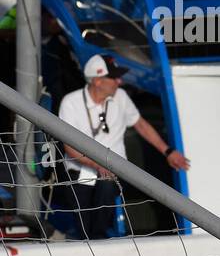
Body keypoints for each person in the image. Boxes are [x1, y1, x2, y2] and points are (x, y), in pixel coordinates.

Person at [56, 53, 191, 239]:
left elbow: (141, 125)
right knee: (83, 214)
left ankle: (96, 240)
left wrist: (168, 151)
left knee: (106, 188)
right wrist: (97, 165)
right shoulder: (71, 102)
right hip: (80, 171)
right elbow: (69, 147)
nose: (119, 81)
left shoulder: (121, 97)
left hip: (114, 170)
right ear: (97, 81)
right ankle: (91, 240)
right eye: (113, 77)